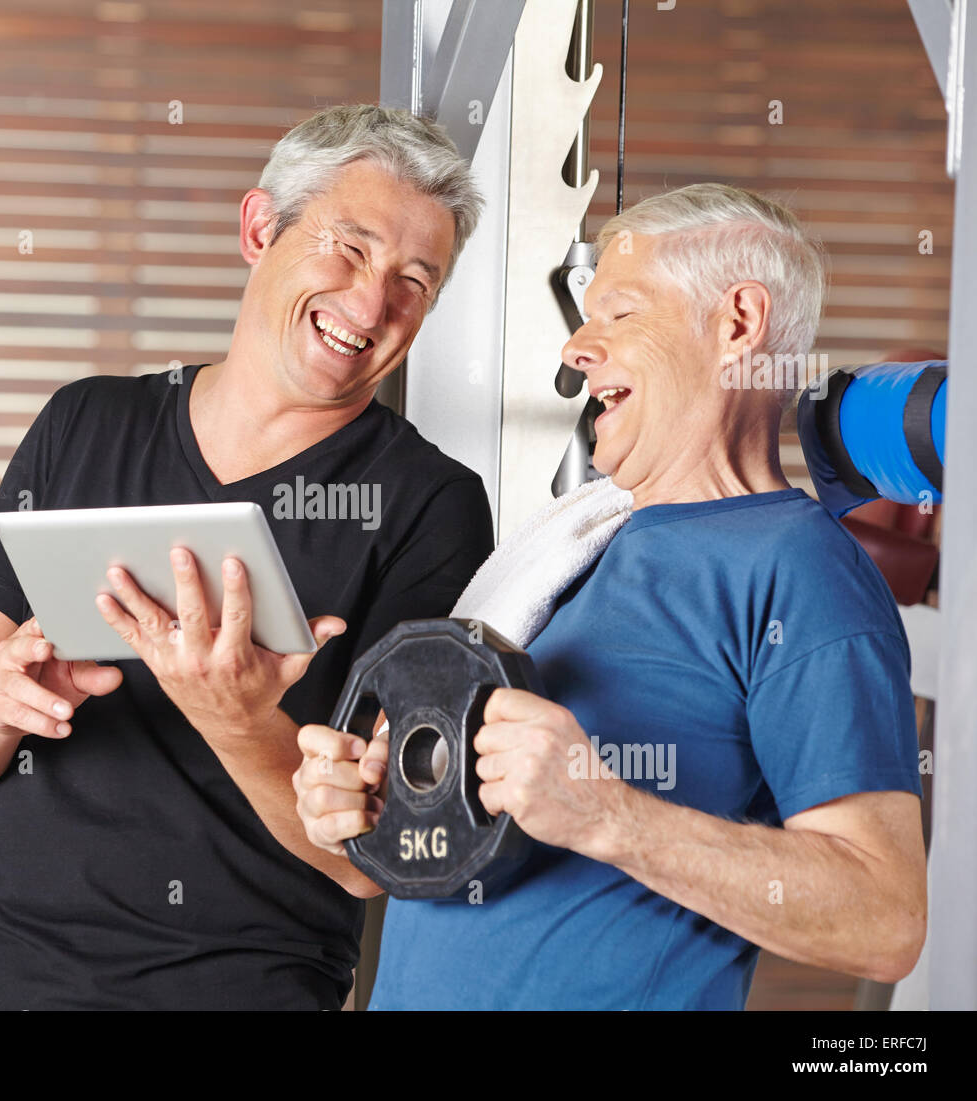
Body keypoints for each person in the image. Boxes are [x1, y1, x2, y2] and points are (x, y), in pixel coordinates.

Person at [0, 105, 494, 1010]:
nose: (374, 304)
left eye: (417, 279)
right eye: (349, 246)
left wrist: (237, 720)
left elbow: (375, 859)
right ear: (261, 228)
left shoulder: (431, 506)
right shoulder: (86, 424)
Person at [295, 183, 927, 1009]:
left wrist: (607, 814)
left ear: (738, 324)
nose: (578, 352)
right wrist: (364, 799)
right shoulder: (568, 547)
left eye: (620, 316)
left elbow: (884, 919)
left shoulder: (800, 569)